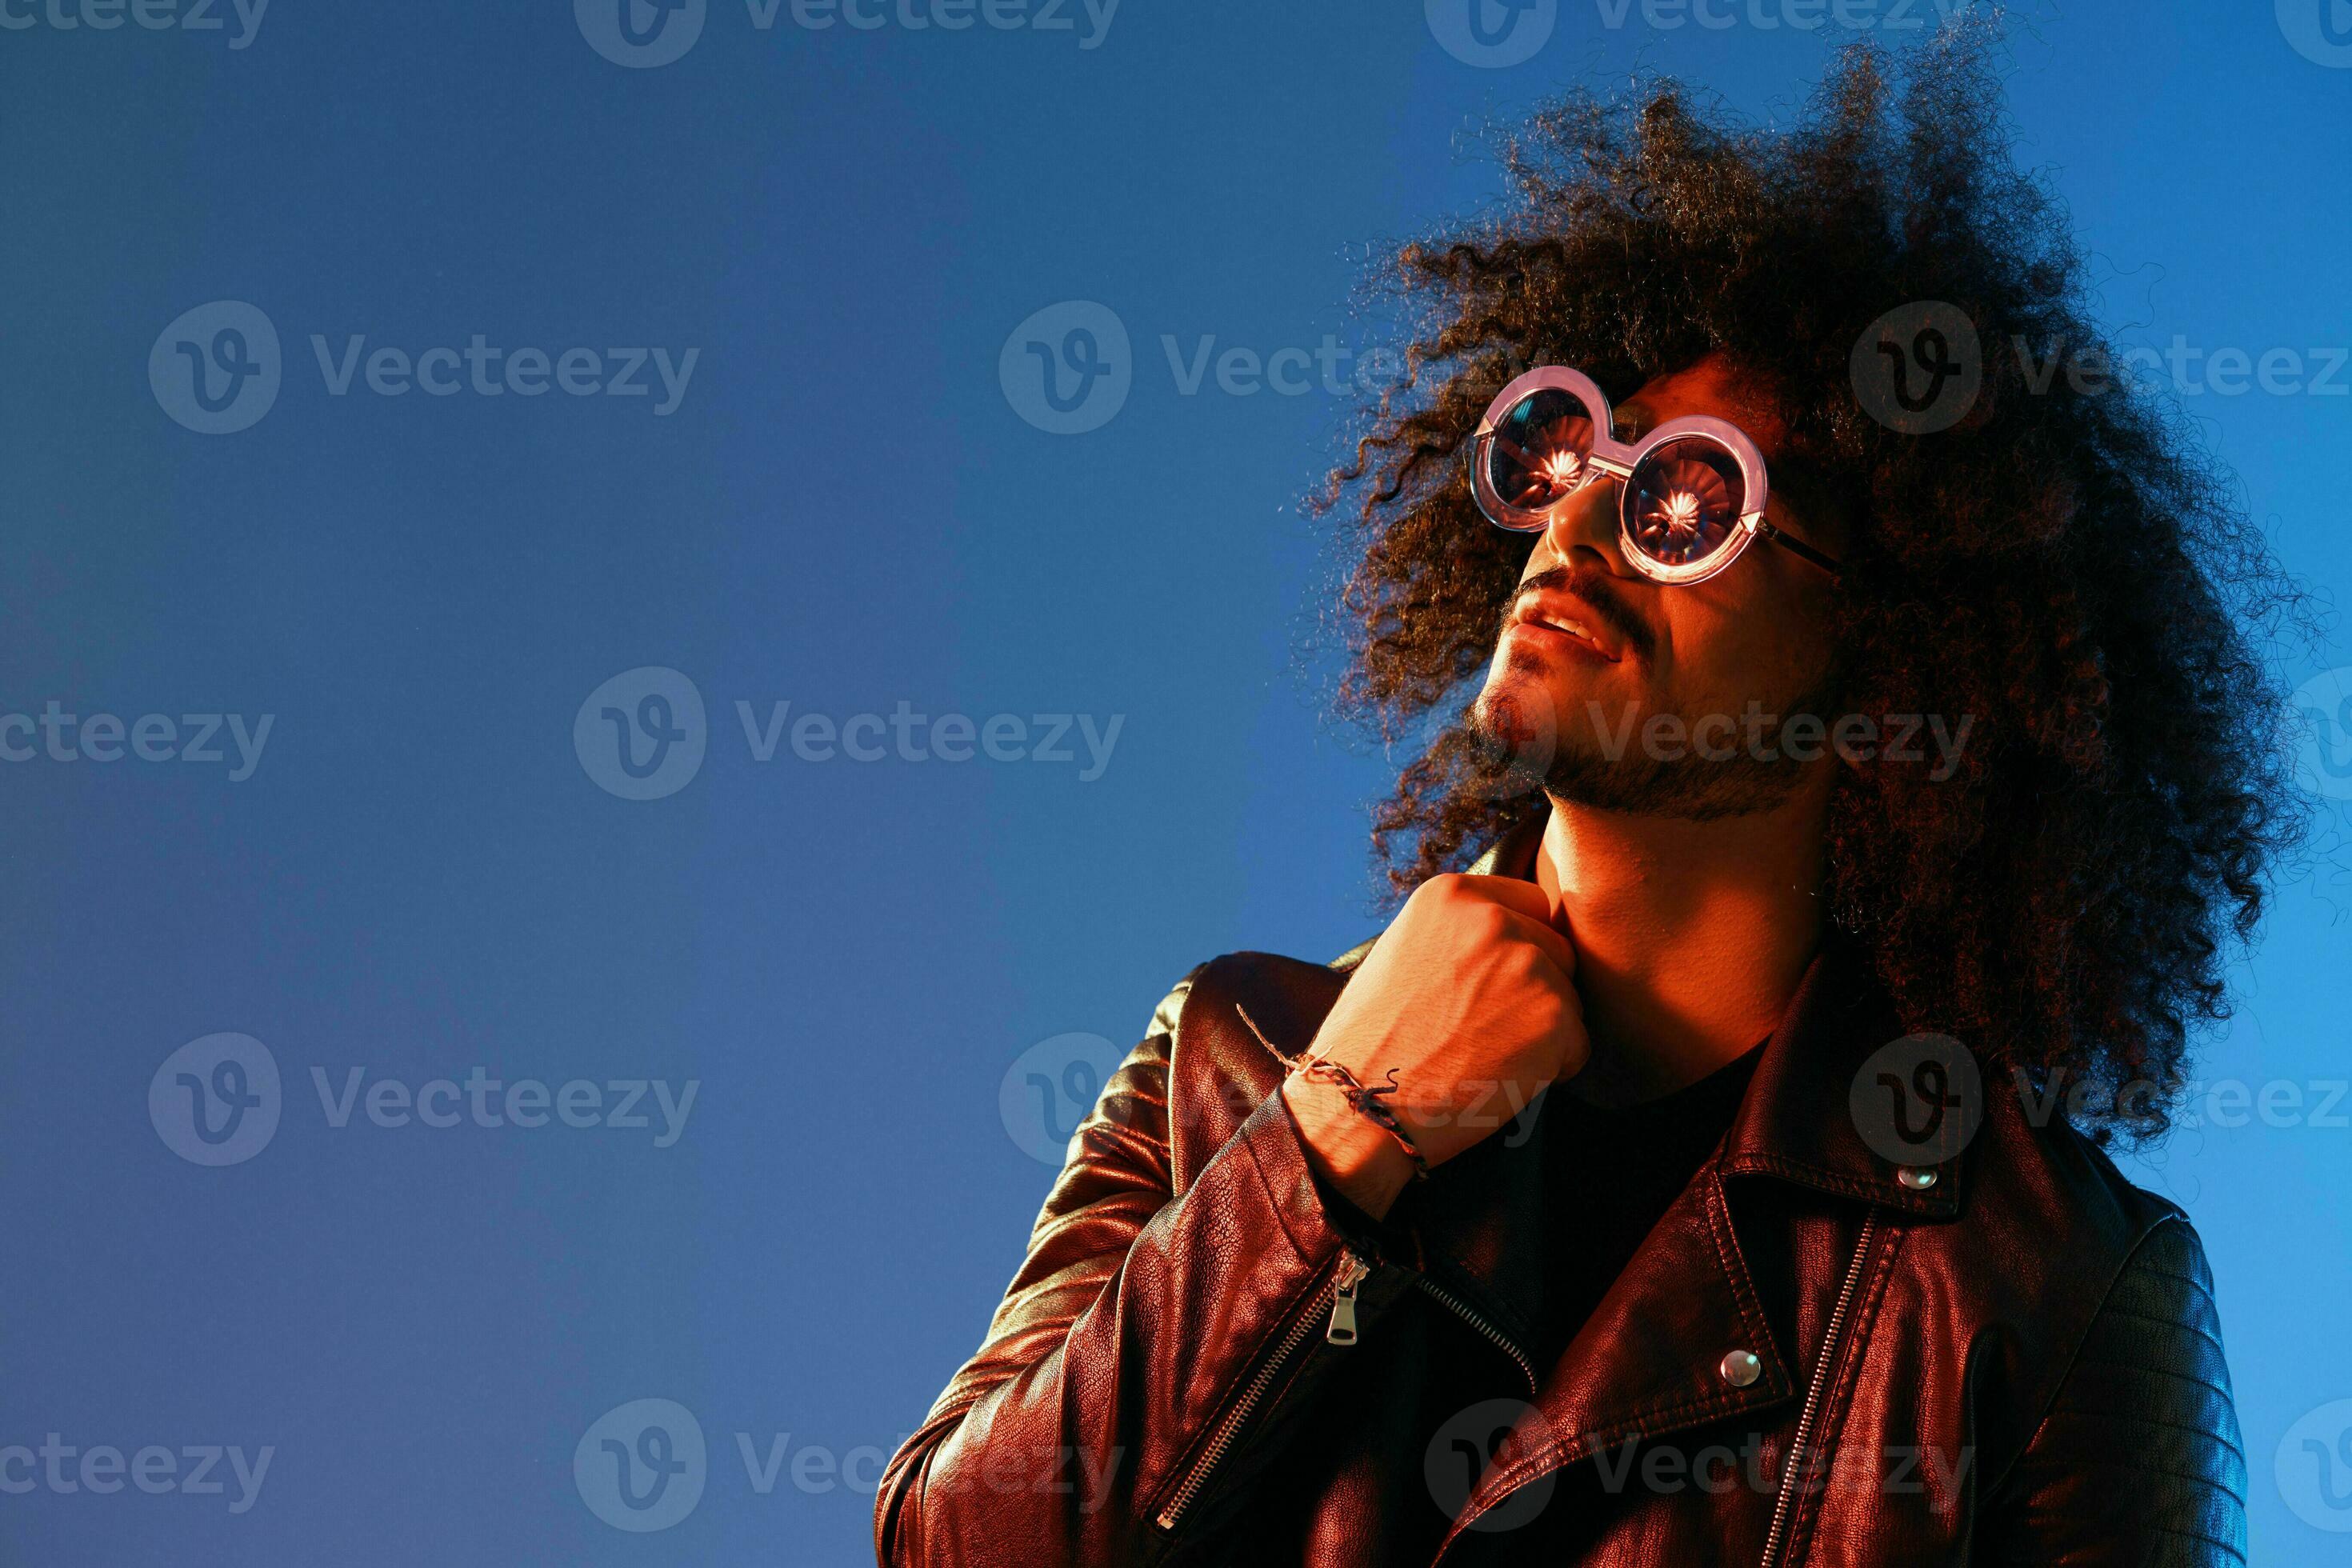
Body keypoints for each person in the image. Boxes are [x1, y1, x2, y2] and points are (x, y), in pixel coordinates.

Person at [877, 30, 2294, 1565]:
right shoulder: (1233, 1061)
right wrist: (1333, 1146)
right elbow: (953, 1548)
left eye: (1690, 501)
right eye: (1567, 462)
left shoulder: (2044, 1283)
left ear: (1897, 651)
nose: (1583, 531)